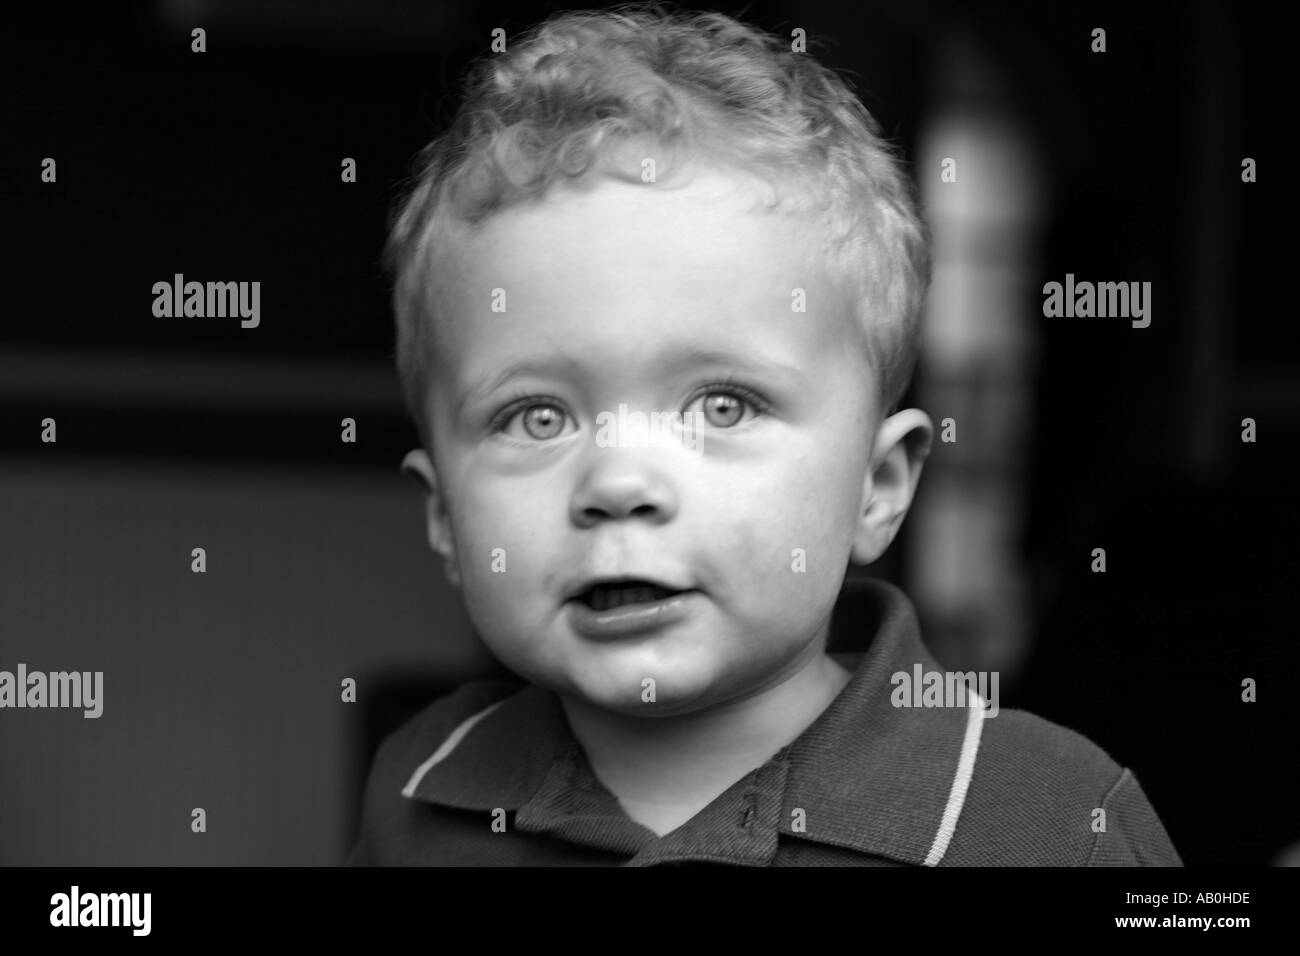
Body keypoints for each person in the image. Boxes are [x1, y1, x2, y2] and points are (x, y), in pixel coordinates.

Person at [349, 3, 1180, 865]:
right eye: (538, 417)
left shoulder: (1051, 817)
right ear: (445, 516)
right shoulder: (421, 786)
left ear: (879, 485)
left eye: (722, 406)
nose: (618, 483)